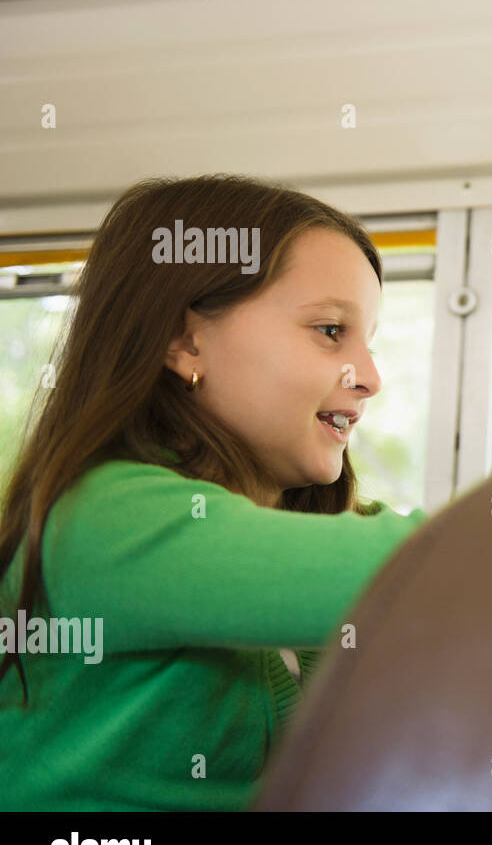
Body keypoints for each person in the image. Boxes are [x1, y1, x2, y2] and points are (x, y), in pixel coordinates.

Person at [0, 174, 431, 810]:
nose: (368, 377)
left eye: (369, 342)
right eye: (331, 331)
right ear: (185, 340)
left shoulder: (315, 527)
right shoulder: (105, 518)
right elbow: (447, 567)